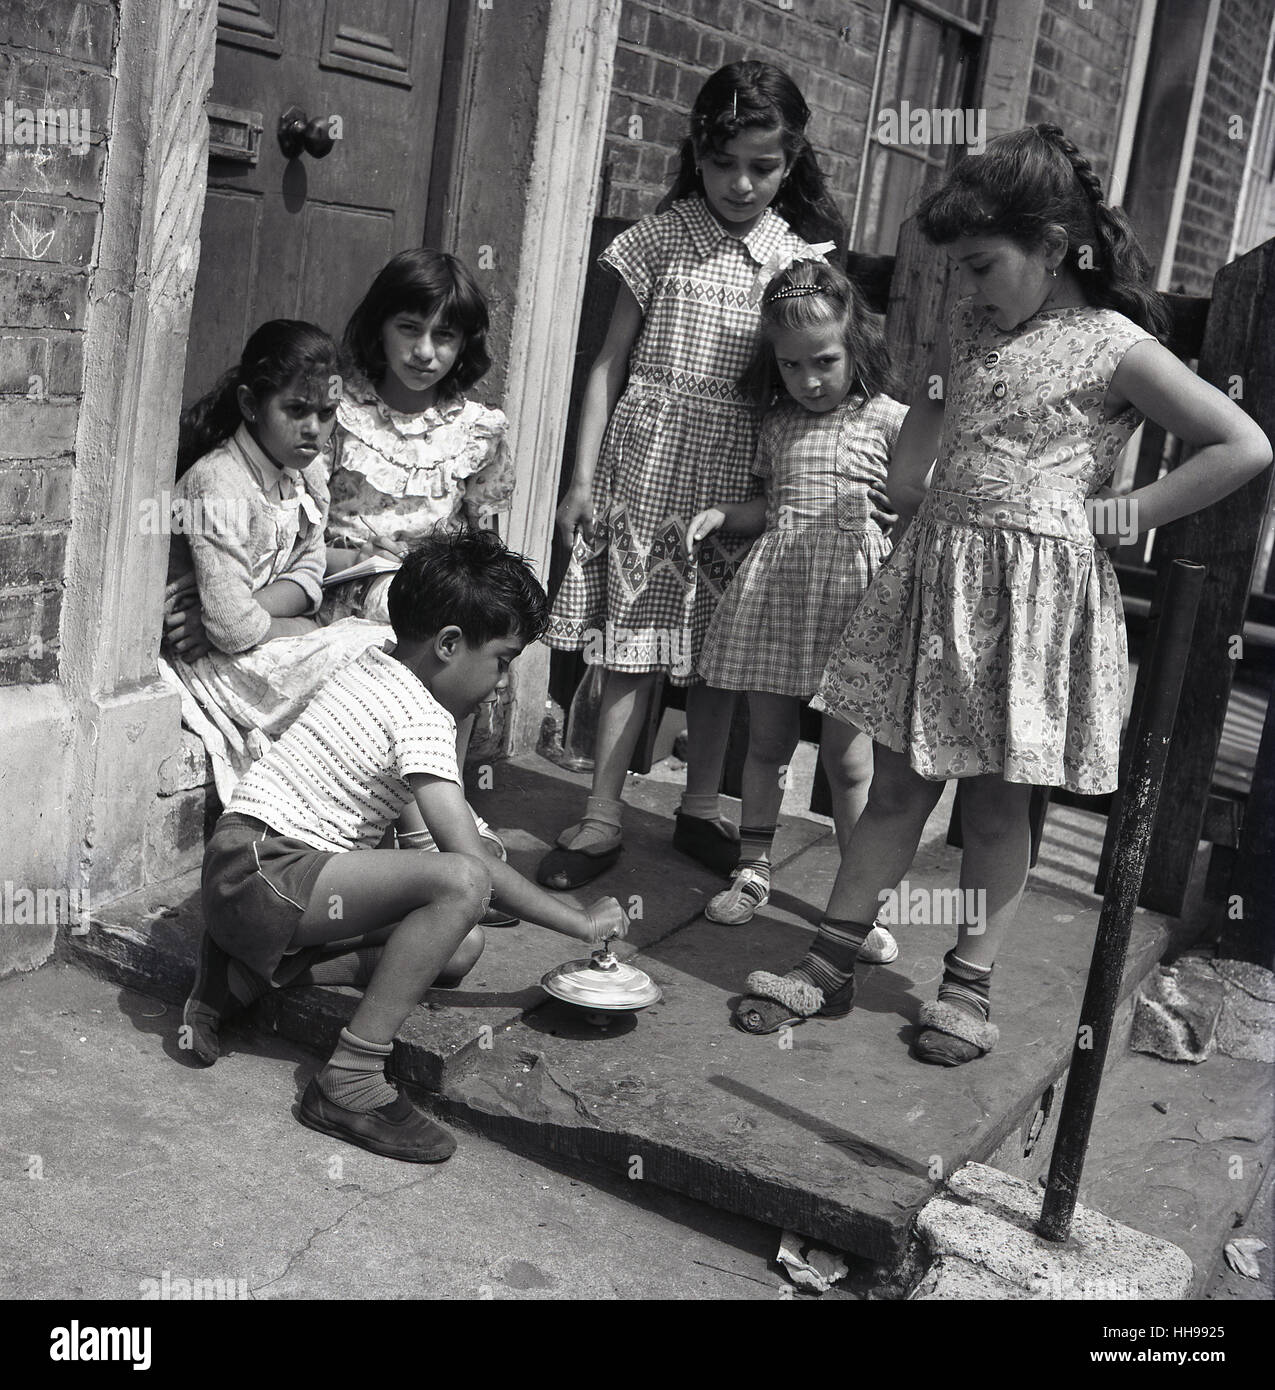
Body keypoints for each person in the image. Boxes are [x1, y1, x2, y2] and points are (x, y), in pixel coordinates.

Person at [733, 124, 1272, 1060]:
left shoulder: (1117, 346)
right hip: (937, 579)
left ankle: (969, 983)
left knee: (993, 805)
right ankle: (829, 961)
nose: (968, 288)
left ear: (1054, 250)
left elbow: (1244, 444)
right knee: (896, 783)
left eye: (981, 266)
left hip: (1033, 601)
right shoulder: (972, 331)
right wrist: (922, 432)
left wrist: (1132, 508)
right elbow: (917, 463)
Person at [183, 529, 627, 1162]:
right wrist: (579, 923)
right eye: (502, 660)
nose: (502, 681)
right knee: (465, 885)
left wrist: (484, 892)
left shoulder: (377, 666)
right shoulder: (419, 714)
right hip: (264, 869)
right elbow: (466, 864)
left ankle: (245, 974)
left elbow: (425, 844)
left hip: (260, 878)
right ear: (449, 644)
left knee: (457, 945)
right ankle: (351, 1077)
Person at [540, 60, 848, 891]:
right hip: (646, 467)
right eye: (724, 164)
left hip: (735, 481)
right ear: (697, 154)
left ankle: (701, 806)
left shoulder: (794, 260)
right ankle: (602, 810)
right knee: (632, 646)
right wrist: (578, 481)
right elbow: (606, 364)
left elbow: (813, 372)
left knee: (718, 657)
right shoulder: (658, 239)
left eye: (762, 166)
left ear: (790, 163)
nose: (741, 183)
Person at [688, 259, 903, 963]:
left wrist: (899, 514)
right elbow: (770, 507)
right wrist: (722, 512)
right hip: (777, 598)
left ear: (855, 345)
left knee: (848, 762)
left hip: (853, 604)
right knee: (766, 744)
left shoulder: (887, 419)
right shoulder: (777, 426)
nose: (808, 379)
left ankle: (855, 902)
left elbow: (916, 504)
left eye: (824, 361)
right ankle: (752, 869)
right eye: (790, 366)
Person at [160, 321, 391, 802]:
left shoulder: (309, 478)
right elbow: (232, 631)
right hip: (206, 659)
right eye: (296, 410)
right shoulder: (218, 484)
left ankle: (404, 824)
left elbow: (308, 575)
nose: (314, 429)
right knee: (373, 669)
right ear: (250, 404)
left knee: (395, 647)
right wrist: (305, 627)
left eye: (327, 413)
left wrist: (257, 608)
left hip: (245, 640)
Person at [321, 248, 512, 627]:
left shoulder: (477, 433)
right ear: (380, 326)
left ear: (463, 345)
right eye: (409, 328)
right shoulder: (336, 413)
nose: (424, 352)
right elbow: (290, 537)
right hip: (348, 593)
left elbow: (485, 545)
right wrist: (357, 558)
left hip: (439, 602)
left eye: (443, 336)